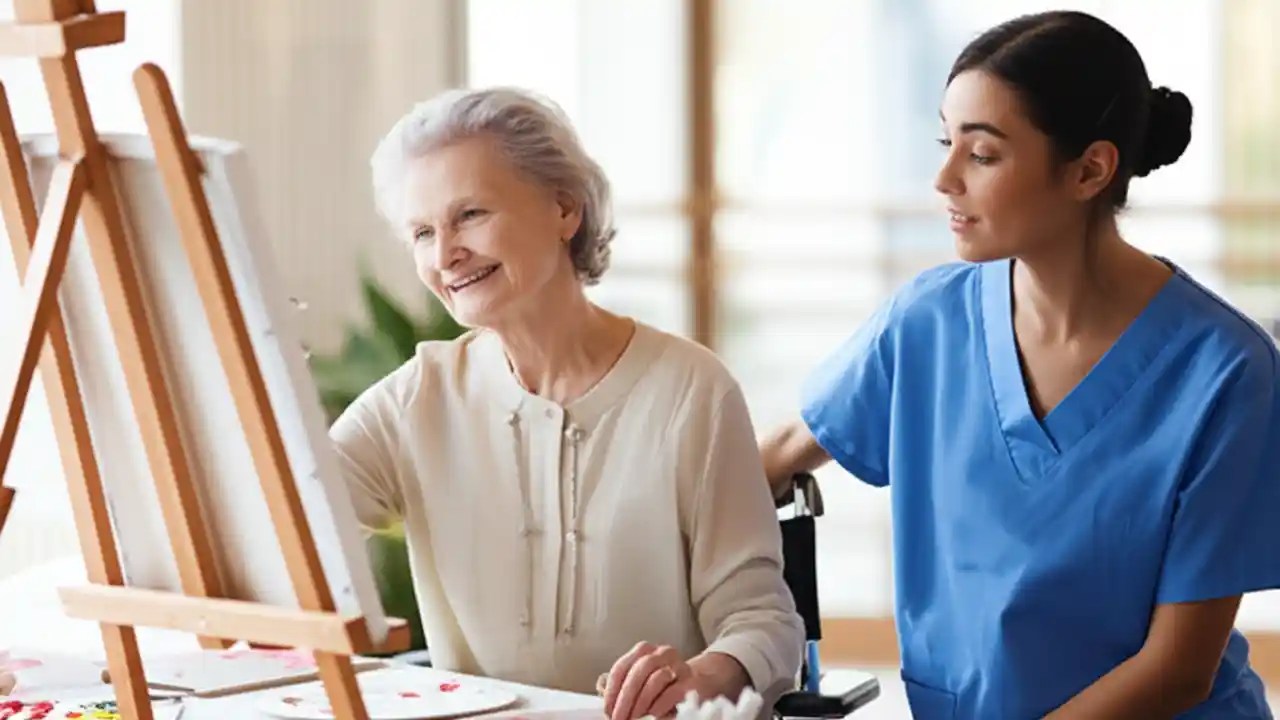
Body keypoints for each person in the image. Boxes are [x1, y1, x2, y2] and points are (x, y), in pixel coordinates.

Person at [761, 10, 1280, 719]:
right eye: (946, 142)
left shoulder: (1226, 373)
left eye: (981, 155)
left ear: (1090, 169)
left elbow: (1177, 669)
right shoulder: (926, 322)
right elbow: (771, 460)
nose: (944, 179)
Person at [332, 87, 803, 720]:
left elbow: (762, 621)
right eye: (422, 232)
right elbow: (287, 518)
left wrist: (700, 678)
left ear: (564, 209)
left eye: (469, 214)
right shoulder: (416, 397)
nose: (444, 255)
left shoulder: (692, 389)